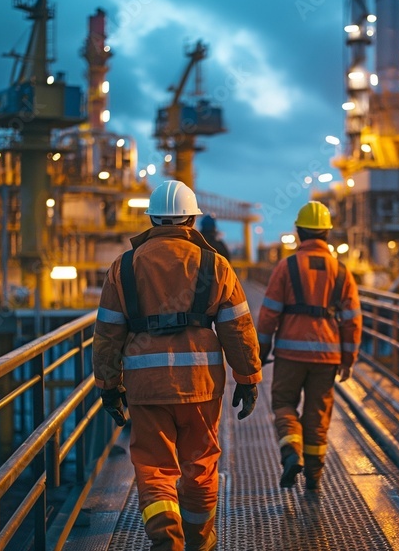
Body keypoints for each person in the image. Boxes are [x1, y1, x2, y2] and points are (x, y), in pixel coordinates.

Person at [94, 180, 262, 551]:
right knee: (200, 466)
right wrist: (247, 378)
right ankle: (199, 542)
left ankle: (166, 541)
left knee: (154, 468)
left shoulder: (124, 267)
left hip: (146, 387)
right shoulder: (215, 264)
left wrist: (108, 386)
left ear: (152, 218)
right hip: (200, 386)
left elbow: (107, 333)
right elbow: (237, 327)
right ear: (191, 219)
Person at [256, 201, 362, 491]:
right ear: (327, 233)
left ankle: (292, 450)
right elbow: (352, 320)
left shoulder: (286, 267)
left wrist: (261, 352)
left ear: (299, 232)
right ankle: (314, 477)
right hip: (327, 355)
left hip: (290, 355)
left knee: (284, 403)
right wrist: (349, 359)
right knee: (318, 416)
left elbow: (268, 315)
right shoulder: (342, 272)